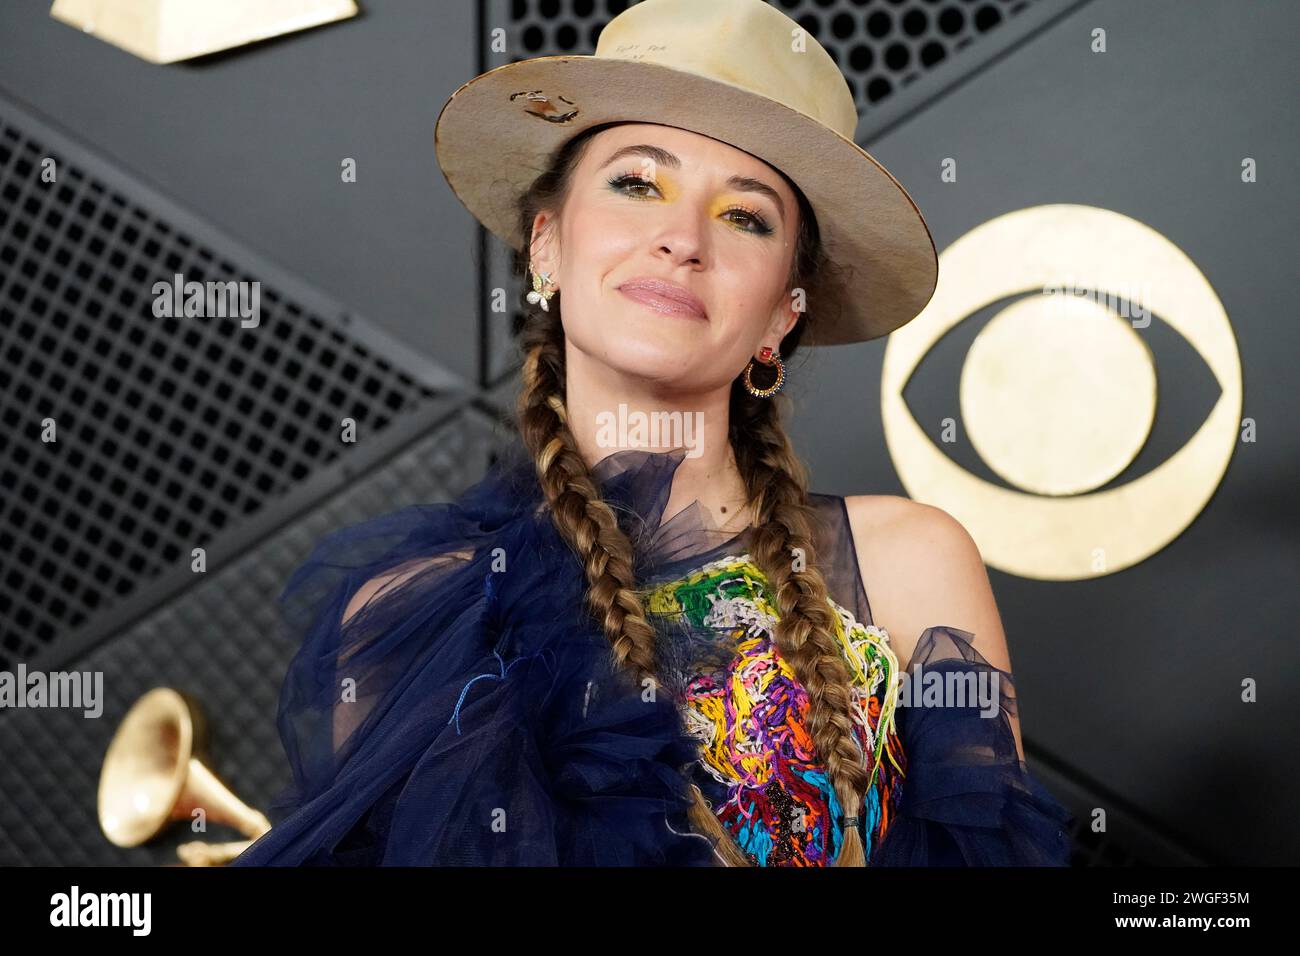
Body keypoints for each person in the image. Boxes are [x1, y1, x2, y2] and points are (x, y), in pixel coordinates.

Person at [231, 0, 1073, 867]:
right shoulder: (417, 611)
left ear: (783, 315)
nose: (681, 240)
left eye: (745, 217)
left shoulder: (910, 561)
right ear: (547, 246)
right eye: (638, 184)